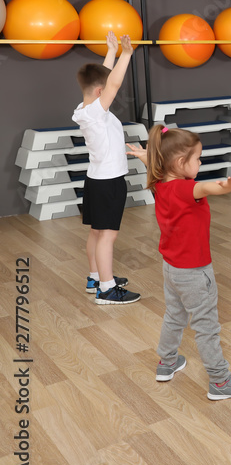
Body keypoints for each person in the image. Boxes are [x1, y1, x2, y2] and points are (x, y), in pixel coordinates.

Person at [127, 128, 231, 400]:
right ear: (179, 163)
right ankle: (220, 382)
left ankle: (166, 362)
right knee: (207, 326)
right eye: (198, 158)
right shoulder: (188, 188)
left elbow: (157, 166)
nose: (201, 163)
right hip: (196, 273)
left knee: (175, 315)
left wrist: (146, 156)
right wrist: (226, 187)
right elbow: (205, 187)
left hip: (171, 269)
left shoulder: (160, 180)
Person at [72, 31, 141, 304]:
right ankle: (107, 289)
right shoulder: (97, 113)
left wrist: (111, 52)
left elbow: (104, 82)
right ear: (101, 93)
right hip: (109, 182)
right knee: (107, 237)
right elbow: (111, 85)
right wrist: (126, 54)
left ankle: (95, 277)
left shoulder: (85, 108)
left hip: (95, 180)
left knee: (97, 232)